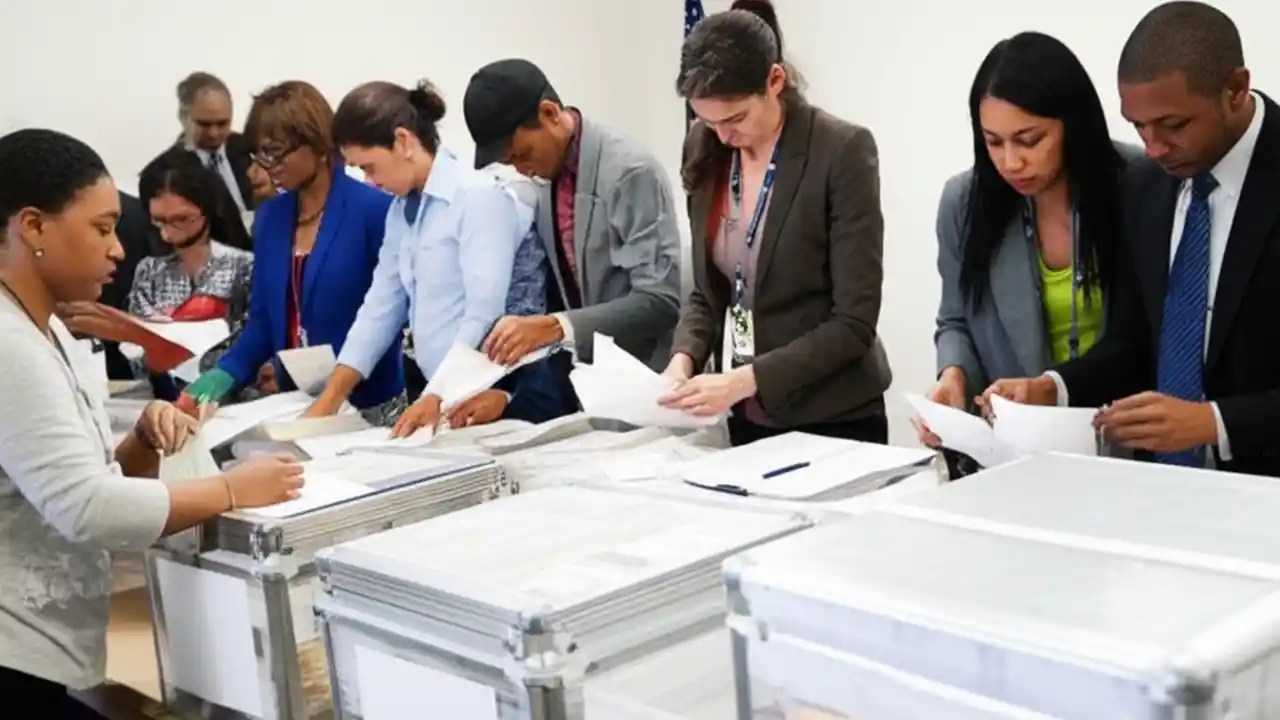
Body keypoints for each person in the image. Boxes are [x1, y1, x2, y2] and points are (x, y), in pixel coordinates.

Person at [0, 128, 302, 715]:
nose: (119, 249)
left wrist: (141, 441)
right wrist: (231, 489)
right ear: (33, 227)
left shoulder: (47, 328)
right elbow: (85, 507)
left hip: (42, 650)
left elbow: (73, 479)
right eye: (102, 228)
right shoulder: (9, 343)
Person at [984, 1, 1280, 477]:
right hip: (1153, 491)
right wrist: (1053, 387)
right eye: (1138, 126)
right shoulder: (1144, 186)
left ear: (1236, 90)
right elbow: (1132, 343)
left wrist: (1216, 423)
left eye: (1174, 125)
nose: (1153, 147)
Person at [658, 6, 891, 446]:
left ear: (775, 82)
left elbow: (854, 323)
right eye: (708, 122)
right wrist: (683, 360)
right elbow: (708, 292)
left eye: (736, 119)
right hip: (746, 414)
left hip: (833, 417)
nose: (723, 136)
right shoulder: (704, 146)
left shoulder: (840, 151)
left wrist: (744, 380)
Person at [921, 32, 1138, 472]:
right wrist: (953, 376)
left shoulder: (1138, 185)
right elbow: (956, 318)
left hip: (1128, 449)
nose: (1010, 162)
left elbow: (1149, 336)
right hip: (1016, 457)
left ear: (1072, 124)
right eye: (993, 141)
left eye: (1029, 139)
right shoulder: (964, 202)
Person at [304, 80, 543, 437]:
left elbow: (485, 311)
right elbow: (381, 307)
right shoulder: (401, 211)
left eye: (369, 167)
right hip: (440, 395)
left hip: (487, 392)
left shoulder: (477, 197)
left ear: (402, 142)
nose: (369, 179)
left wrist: (437, 393)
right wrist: (331, 397)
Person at [181, 81, 403, 423]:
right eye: (259, 152)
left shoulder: (376, 211)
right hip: (295, 401)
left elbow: (389, 316)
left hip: (370, 405)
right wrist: (223, 374)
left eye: (276, 151)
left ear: (316, 144)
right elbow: (264, 321)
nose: (266, 165)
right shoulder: (270, 217)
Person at [463, 58, 682, 371]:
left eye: (523, 154)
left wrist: (557, 326)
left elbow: (659, 301)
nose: (522, 169)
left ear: (550, 113)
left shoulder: (630, 172)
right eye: (511, 162)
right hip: (590, 380)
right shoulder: (543, 181)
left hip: (648, 378)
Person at [141, 72, 254, 251]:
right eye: (204, 124)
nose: (214, 133)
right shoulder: (161, 174)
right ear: (183, 117)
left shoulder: (249, 150)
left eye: (223, 123)